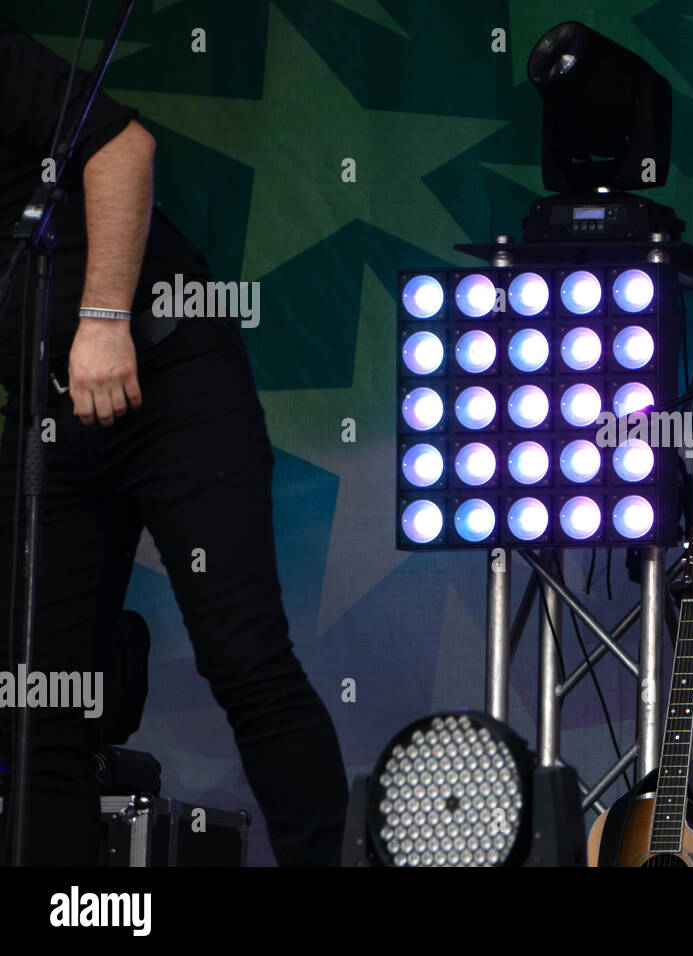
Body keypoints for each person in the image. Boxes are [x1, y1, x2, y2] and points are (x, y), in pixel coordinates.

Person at [0, 17, 348, 864]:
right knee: (40, 707)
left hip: (164, 371)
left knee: (244, 660)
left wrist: (103, 319)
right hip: (45, 422)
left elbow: (122, 149)